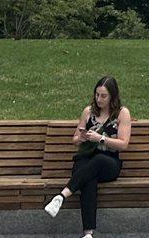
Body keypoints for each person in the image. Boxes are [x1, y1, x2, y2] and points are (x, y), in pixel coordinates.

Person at [43, 76, 132, 238]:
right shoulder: (88, 111)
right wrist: (82, 138)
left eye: (103, 96)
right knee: (89, 177)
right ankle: (88, 234)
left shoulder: (122, 113)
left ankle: (61, 196)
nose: (99, 99)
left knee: (97, 162)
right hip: (85, 159)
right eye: (97, 95)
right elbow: (75, 140)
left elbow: (124, 144)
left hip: (109, 162)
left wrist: (101, 139)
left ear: (113, 96)